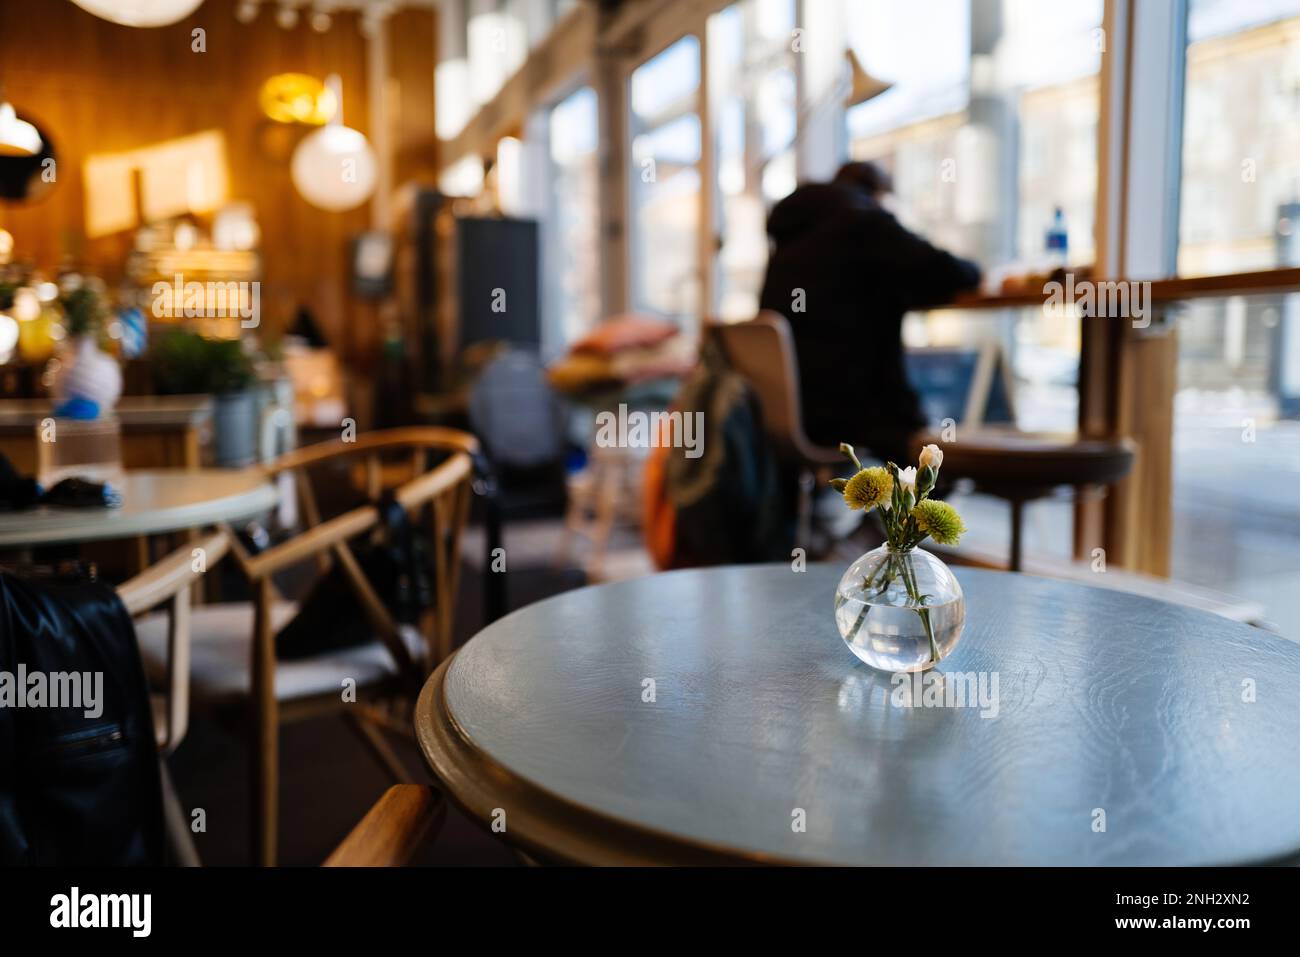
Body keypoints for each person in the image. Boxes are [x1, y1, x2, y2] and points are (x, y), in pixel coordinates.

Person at [758, 161, 981, 466]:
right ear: (877, 193)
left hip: (787, 411)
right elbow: (952, 272)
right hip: (852, 411)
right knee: (930, 455)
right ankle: (925, 494)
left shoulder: (788, 239)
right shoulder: (864, 221)